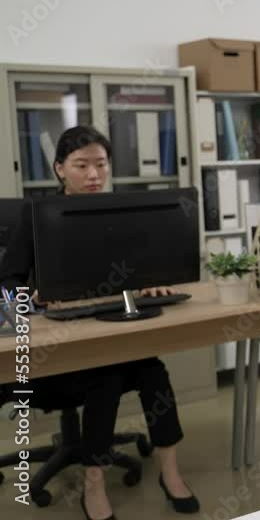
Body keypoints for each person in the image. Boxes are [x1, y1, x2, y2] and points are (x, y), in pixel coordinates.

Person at [0, 126, 199, 519]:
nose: (93, 175)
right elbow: (6, 282)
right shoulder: (35, 216)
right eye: (81, 165)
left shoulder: (117, 211)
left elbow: (138, 268)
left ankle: (170, 472)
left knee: (154, 372)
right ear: (59, 169)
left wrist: (152, 283)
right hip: (55, 352)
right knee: (105, 377)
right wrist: (31, 299)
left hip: (112, 334)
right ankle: (94, 485)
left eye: (101, 165)